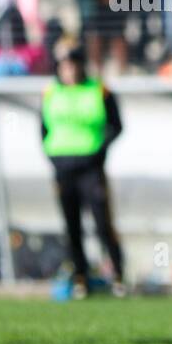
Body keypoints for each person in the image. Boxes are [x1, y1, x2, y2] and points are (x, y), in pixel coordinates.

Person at [41, 40, 126, 298]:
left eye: (73, 64)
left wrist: (98, 153)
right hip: (63, 166)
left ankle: (117, 274)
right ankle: (81, 277)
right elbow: (44, 130)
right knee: (72, 226)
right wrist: (53, 157)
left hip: (90, 167)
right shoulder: (51, 92)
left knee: (102, 223)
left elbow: (116, 126)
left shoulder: (98, 90)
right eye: (65, 66)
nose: (69, 70)